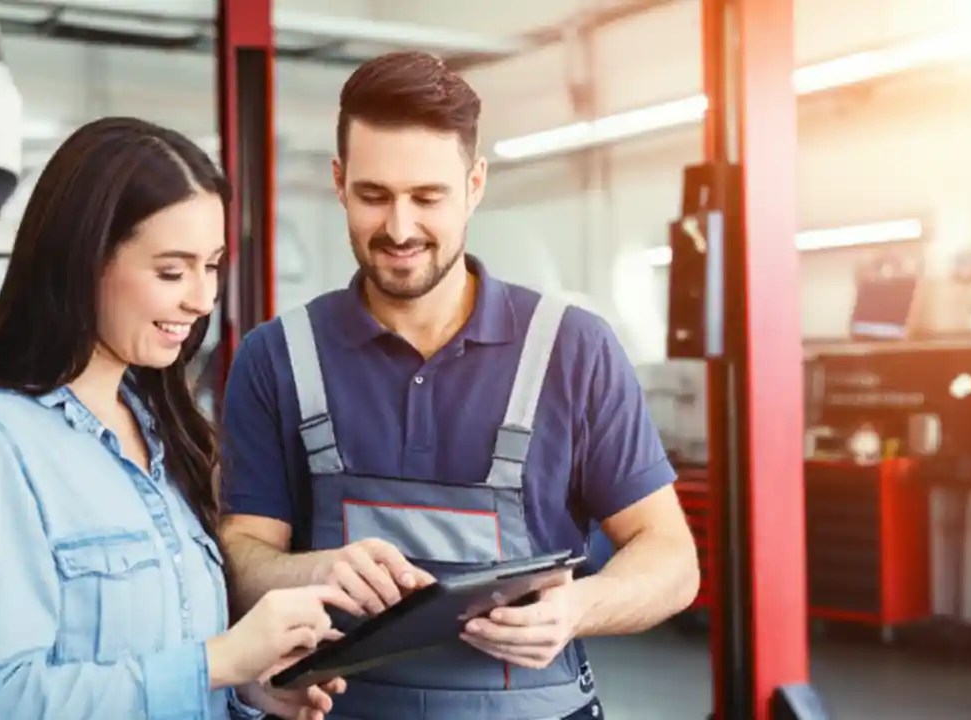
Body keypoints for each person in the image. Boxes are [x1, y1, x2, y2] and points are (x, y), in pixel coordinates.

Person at [218, 52, 701, 720]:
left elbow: (672, 557)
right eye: (374, 195)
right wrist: (313, 571)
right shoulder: (277, 358)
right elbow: (243, 552)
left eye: (428, 197)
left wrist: (577, 608)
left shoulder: (573, 348)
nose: (399, 228)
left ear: (475, 184)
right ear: (338, 182)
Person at [0, 117, 362, 720]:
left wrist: (244, 685)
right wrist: (218, 661)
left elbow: (155, 661)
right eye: (171, 271)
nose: (201, 299)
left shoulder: (160, 433)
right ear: (84, 261)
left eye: (213, 265)